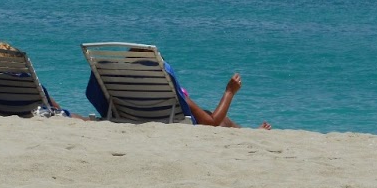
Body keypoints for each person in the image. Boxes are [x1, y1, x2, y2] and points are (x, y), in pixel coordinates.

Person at [86, 47, 269, 128]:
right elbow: (211, 122)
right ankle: (251, 134)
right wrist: (230, 92)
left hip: (132, 115)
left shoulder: (122, 86)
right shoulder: (167, 89)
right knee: (223, 121)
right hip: (169, 119)